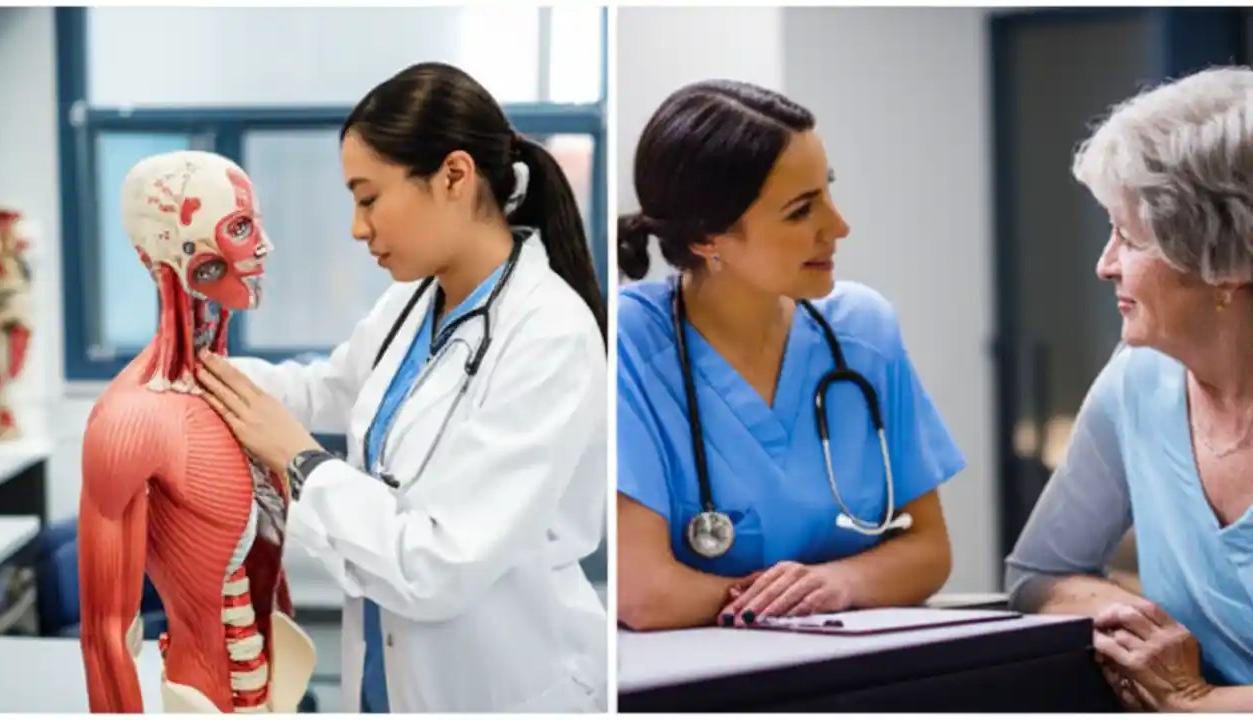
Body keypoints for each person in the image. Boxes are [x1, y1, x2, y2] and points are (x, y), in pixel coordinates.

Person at [194, 62, 608, 713]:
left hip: (502, 687)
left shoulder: (550, 335)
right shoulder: (414, 304)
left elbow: (436, 564)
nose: (358, 228)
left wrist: (301, 462)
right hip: (392, 680)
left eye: (368, 197)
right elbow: (327, 388)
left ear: (453, 176)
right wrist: (198, 370)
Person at [616, 80, 964, 632]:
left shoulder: (864, 332)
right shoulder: (629, 343)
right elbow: (643, 593)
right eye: (803, 211)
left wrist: (838, 585)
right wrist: (800, 599)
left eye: (826, 191)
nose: (839, 226)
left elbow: (928, 551)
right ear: (709, 237)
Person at [1005, 67, 1253, 711]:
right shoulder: (1138, 381)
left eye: (1128, 236)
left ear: (1224, 262)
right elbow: (1039, 575)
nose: (1104, 262)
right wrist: (1142, 626)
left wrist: (1195, 701)